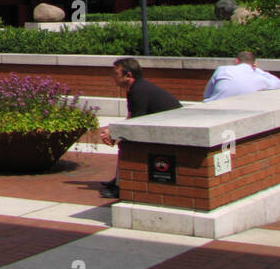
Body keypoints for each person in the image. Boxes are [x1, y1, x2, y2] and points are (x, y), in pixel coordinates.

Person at [99, 57, 182, 200]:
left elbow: (136, 122)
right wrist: (113, 132)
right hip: (161, 126)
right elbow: (131, 116)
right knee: (124, 141)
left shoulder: (139, 91)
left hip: (174, 131)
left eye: (116, 74)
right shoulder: (134, 89)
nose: (113, 77)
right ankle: (119, 180)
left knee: (127, 144)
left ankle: (121, 187)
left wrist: (114, 134)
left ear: (128, 76)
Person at [202, 51, 280, 101]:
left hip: (211, 107)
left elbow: (207, 94)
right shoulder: (259, 78)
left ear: (236, 61)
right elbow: (277, 82)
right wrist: (257, 69)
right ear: (253, 63)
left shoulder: (222, 70)